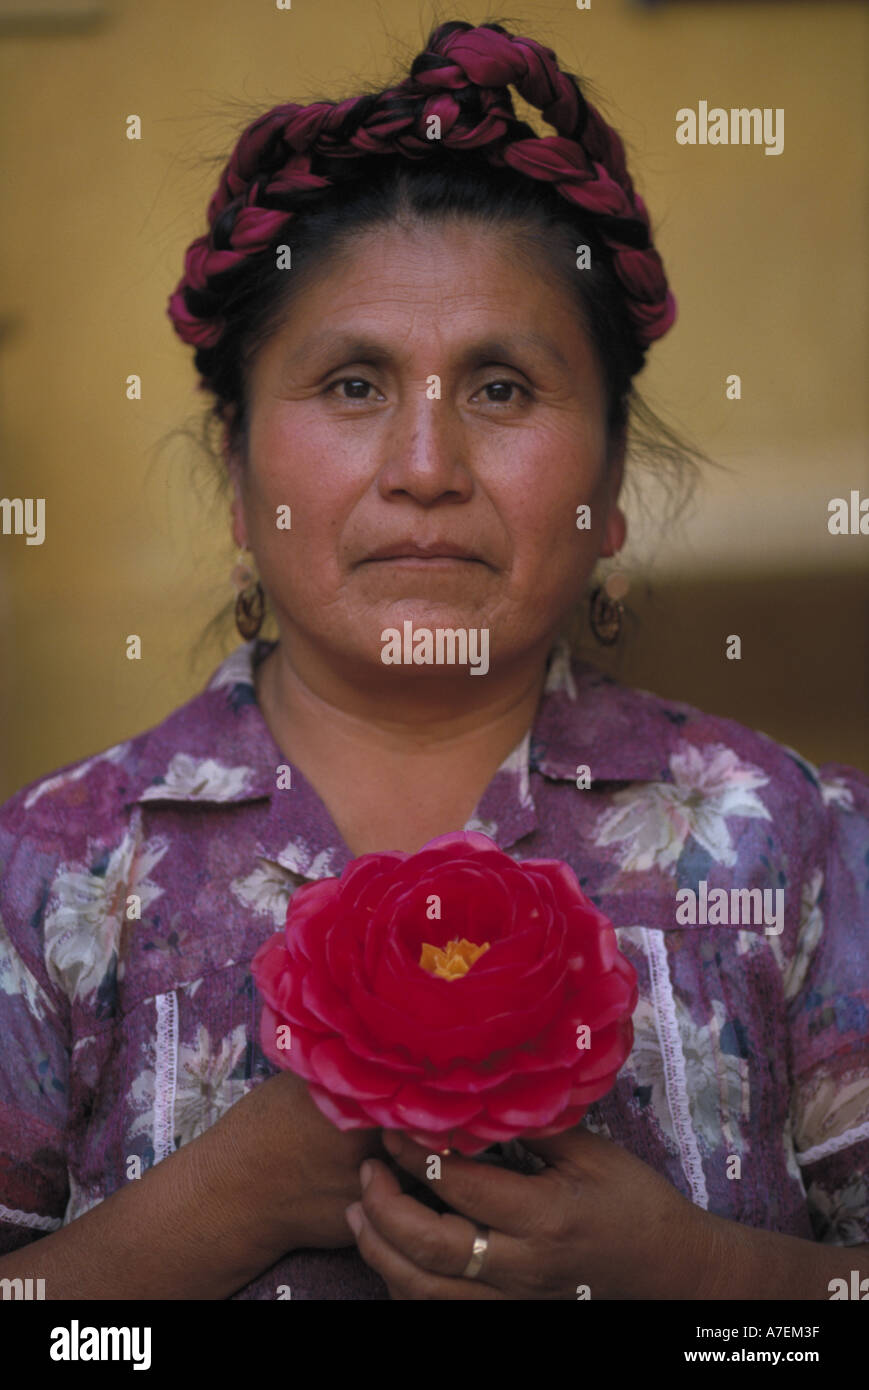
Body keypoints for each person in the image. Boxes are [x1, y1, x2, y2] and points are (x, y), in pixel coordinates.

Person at [1, 19, 867, 1302]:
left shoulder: (792, 845)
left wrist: (698, 1279)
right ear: (235, 479)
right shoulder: (47, 880)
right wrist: (221, 1205)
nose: (424, 466)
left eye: (503, 387)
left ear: (612, 486)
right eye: (352, 384)